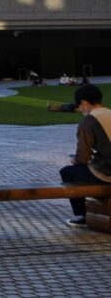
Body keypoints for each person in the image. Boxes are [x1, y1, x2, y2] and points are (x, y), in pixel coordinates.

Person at [59, 84, 111, 227]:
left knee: (67, 172)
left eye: (80, 106)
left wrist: (75, 160)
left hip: (107, 174)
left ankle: (82, 214)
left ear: (84, 103)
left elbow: (83, 156)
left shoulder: (89, 120)